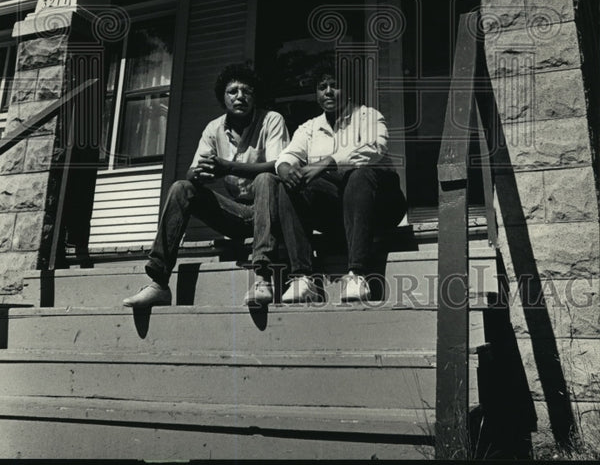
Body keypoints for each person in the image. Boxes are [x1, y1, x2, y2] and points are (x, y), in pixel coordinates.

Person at [123, 63, 289, 309]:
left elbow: (277, 166)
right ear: (223, 97)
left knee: (266, 179)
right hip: (237, 213)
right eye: (233, 91)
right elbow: (192, 171)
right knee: (182, 188)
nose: (240, 96)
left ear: (255, 96)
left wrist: (227, 167)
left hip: (271, 212)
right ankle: (158, 283)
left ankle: (263, 279)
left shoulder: (271, 120)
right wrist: (200, 174)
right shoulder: (214, 128)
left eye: (247, 91)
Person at [273, 58, 406, 303]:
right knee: (288, 184)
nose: (328, 91)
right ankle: (302, 277)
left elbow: (374, 148)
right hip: (339, 211)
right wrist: (284, 168)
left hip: (381, 204)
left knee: (360, 174)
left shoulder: (368, 116)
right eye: (322, 87)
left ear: (348, 90)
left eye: (335, 85)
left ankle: (358, 274)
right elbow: (289, 154)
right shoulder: (309, 128)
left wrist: (328, 162)